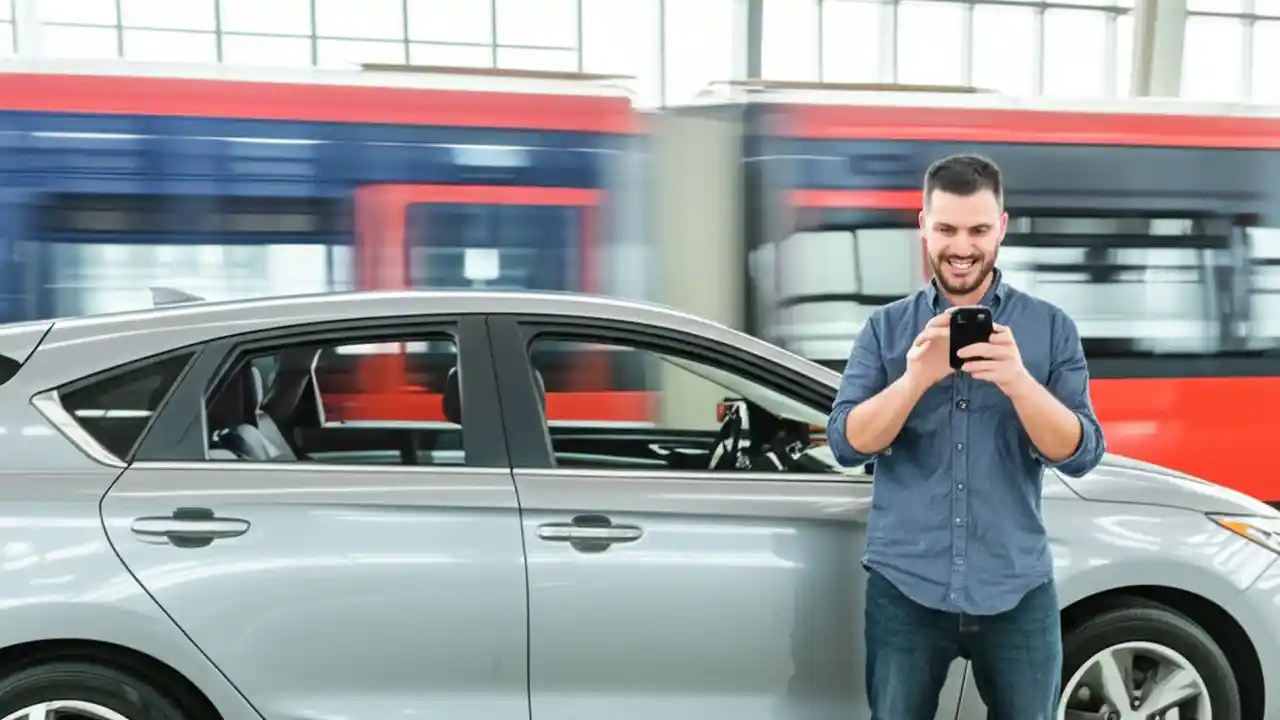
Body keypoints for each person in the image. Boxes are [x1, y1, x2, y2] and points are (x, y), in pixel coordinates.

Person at [826, 154, 1106, 719]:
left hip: (1016, 587)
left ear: (1001, 227)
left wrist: (1019, 381)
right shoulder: (885, 329)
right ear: (923, 225)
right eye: (948, 228)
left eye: (978, 229)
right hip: (905, 589)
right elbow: (846, 442)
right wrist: (915, 379)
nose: (962, 246)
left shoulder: (1050, 329)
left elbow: (1080, 454)